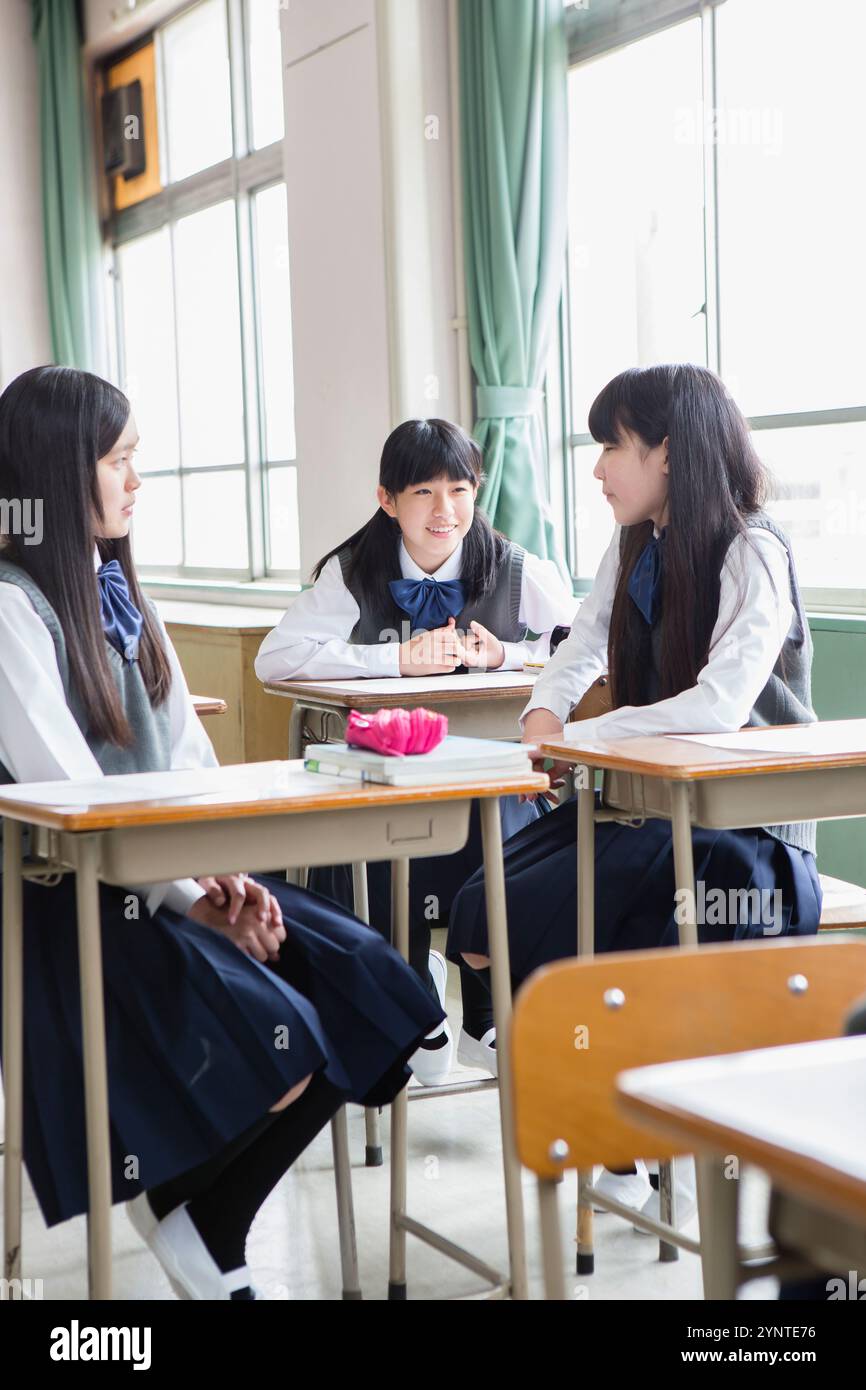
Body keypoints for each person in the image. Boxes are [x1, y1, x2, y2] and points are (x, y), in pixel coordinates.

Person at [0, 366, 442, 1300]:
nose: (135, 479)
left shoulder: (120, 589)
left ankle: (201, 1215)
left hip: (184, 877)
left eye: (134, 459)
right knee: (282, 1025)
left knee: (378, 991)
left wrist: (233, 878)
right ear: (52, 470)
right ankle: (192, 1206)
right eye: (117, 460)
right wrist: (194, 900)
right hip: (83, 903)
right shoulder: (10, 605)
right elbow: (70, 797)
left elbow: (192, 759)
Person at [447, 363, 822, 1226]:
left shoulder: (753, 550)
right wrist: (543, 713)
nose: (599, 467)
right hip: (646, 809)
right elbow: (579, 647)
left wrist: (580, 738)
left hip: (745, 834)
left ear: (669, 451)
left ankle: (640, 1144)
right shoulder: (634, 545)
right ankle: (620, 1131)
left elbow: (720, 708)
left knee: (611, 933)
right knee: (484, 910)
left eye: (612, 445)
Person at [256, 418, 575, 1082]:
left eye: (459, 490)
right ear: (387, 499)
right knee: (379, 825)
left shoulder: (516, 568)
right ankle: (405, 984)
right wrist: (390, 660)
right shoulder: (352, 571)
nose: (444, 511)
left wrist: (507, 653)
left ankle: (482, 1009)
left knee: (511, 813)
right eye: (423, 492)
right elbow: (275, 659)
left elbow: (580, 644)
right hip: (390, 775)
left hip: (488, 775)